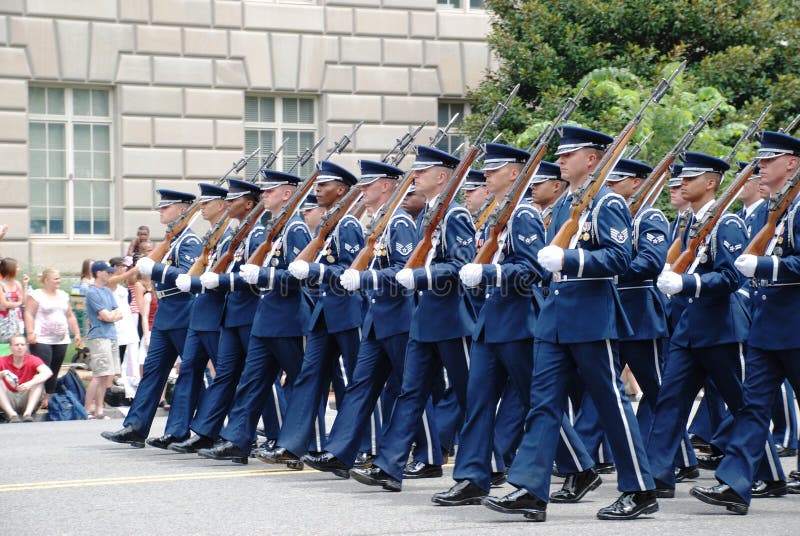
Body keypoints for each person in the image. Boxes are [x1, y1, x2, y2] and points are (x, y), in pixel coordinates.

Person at [482, 126, 657, 522]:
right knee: (541, 404)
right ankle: (530, 488)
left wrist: (571, 260)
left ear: (591, 160)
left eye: (569, 154)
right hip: (555, 319)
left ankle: (640, 490)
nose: (559, 161)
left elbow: (620, 258)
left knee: (612, 404)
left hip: (592, 318)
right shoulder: (564, 206)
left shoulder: (607, 203)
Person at [649, 151, 783, 497]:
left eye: (689, 179)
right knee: (670, 400)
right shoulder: (691, 223)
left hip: (722, 328)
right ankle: (657, 475)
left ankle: (769, 473)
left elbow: (732, 276)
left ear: (711, 183)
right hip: (688, 329)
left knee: (742, 404)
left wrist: (688, 283)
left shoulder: (727, 222)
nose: (681, 184)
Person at [348, 145, 476, 491]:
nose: (414, 176)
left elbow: (462, 265)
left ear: (442, 177)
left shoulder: (454, 214)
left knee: (471, 397)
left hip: (451, 319)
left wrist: (419, 277)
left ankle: (487, 468)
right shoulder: (426, 216)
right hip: (425, 318)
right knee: (410, 393)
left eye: (422, 171)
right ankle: (389, 465)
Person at [302, 160, 437, 477]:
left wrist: (364, 279)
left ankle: (431, 454)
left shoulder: (399, 222)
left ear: (387, 186)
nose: (361, 189)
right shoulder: (379, 222)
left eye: (369, 184)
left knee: (409, 387)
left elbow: (406, 269)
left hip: (400, 316)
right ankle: (341, 451)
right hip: (378, 316)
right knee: (360, 385)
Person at [691, 130, 800, 514]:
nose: (760, 166)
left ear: (792, 163)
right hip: (767, 325)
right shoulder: (775, 208)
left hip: (795, 324)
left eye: (768, 160)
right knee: (753, 407)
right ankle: (735, 484)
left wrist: (765, 265)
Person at [432, 143, 545, 506]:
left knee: (536, 400)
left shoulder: (523, 214)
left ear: (515, 173)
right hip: (490, 321)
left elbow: (533, 271)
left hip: (518, 321)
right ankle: (472, 477)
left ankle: (578, 465)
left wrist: (489, 271)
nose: (486, 176)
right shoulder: (497, 214)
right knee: (478, 401)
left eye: (494, 170)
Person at [194, 170, 311, 462]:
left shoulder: (294, 228)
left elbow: (300, 274)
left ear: (287, 194)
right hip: (265, 316)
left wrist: (263, 274)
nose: (264, 196)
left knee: (299, 380)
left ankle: (293, 443)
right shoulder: (276, 227)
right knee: (252, 380)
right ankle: (238, 439)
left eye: (270, 191)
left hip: (286, 316)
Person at [256, 160, 366, 468]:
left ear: (341, 190)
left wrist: (316, 269)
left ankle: (360, 449)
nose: (317, 190)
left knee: (355, 382)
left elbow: (352, 269)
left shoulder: (348, 224)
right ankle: (294, 445)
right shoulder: (329, 225)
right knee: (308, 379)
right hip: (325, 312)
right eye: (316, 185)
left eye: (324, 185)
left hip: (347, 310)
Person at [169, 179, 266, 453]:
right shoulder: (237, 234)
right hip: (231, 312)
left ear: (247, 203)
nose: (228, 204)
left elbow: (249, 276)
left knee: (258, 378)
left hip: (249, 311)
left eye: (233, 200)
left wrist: (212, 281)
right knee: (227, 375)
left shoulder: (255, 234)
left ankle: (274, 436)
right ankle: (208, 431)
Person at [101, 189, 201, 446]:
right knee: (154, 372)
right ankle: (135, 426)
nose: (161, 211)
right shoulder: (170, 241)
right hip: (167, 311)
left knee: (188, 373)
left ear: (182, 210)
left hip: (183, 309)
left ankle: (184, 430)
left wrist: (156, 268)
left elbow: (187, 275)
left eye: (167, 207)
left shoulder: (189, 240)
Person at [24, 268, 82, 403]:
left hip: (61, 339)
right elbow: (29, 313)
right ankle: (35, 397)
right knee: (43, 368)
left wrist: (77, 333)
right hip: (41, 338)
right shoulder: (37, 295)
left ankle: (48, 397)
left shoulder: (63, 295)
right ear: (46, 280)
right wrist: (30, 332)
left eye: (59, 278)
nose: (59, 281)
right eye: (55, 278)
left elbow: (70, 315)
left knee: (55, 369)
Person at [84, 261, 121, 420]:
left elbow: (118, 313)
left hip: (111, 334)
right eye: (107, 272)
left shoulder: (107, 290)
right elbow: (104, 315)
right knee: (99, 374)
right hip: (99, 335)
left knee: (107, 375)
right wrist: (109, 316)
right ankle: (86, 410)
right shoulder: (92, 292)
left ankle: (99, 410)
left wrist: (110, 317)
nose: (109, 275)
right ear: (98, 273)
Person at [0, 334, 52, 422]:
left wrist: (30, 383)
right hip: (8, 398)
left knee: (38, 379)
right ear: (10, 348)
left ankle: (27, 414)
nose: (20, 347)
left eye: (22, 345)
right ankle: (12, 415)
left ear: (26, 347)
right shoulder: (2, 360)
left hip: (27, 397)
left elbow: (48, 372)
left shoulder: (33, 359)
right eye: (16, 345)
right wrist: (3, 373)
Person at [0, 258, 29, 338]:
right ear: (10, 269)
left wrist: (25, 285)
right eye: (16, 267)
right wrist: (18, 303)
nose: (18, 269)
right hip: (4, 319)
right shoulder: (1, 285)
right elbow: (3, 304)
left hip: (16, 318)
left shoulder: (17, 284)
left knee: (17, 342)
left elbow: (24, 301)